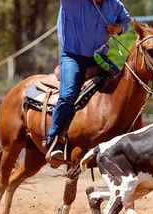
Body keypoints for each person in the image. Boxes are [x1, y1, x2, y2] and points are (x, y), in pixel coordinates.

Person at [47, 0, 131, 161]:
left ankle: (127, 140)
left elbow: (126, 21)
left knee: (125, 91)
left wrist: (119, 29)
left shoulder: (115, 5)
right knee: (68, 94)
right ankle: (55, 141)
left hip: (99, 57)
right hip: (73, 57)